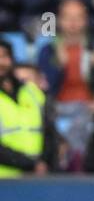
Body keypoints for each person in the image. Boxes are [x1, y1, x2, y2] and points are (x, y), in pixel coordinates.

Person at [0, 37, 59, 177]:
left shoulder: (33, 92)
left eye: (4, 56)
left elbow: (49, 132)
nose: (1, 62)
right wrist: (31, 164)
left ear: (12, 59)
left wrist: (44, 163)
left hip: (36, 179)